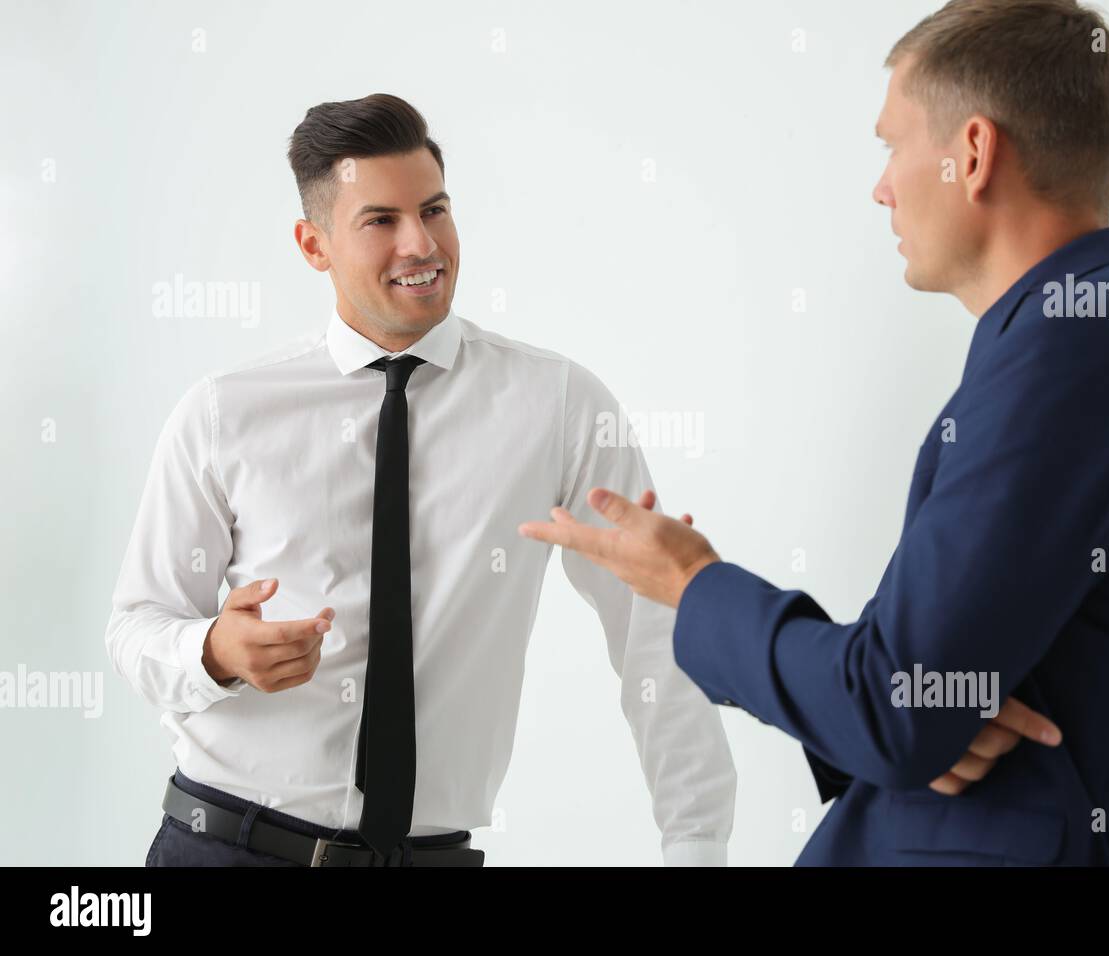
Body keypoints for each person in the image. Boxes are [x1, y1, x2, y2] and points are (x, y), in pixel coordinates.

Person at [519, 0, 1109, 866]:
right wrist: (926, 720)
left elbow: (895, 707)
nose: (882, 185)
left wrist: (691, 583)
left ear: (972, 153)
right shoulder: (1074, 343)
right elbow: (913, 703)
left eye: (893, 144)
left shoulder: (1073, 359)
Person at [107, 93, 744, 866]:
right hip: (226, 847)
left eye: (435, 210)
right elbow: (137, 625)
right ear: (315, 245)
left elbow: (655, 629)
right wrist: (213, 651)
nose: (422, 244)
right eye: (381, 221)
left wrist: (698, 843)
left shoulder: (559, 407)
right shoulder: (224, 412)